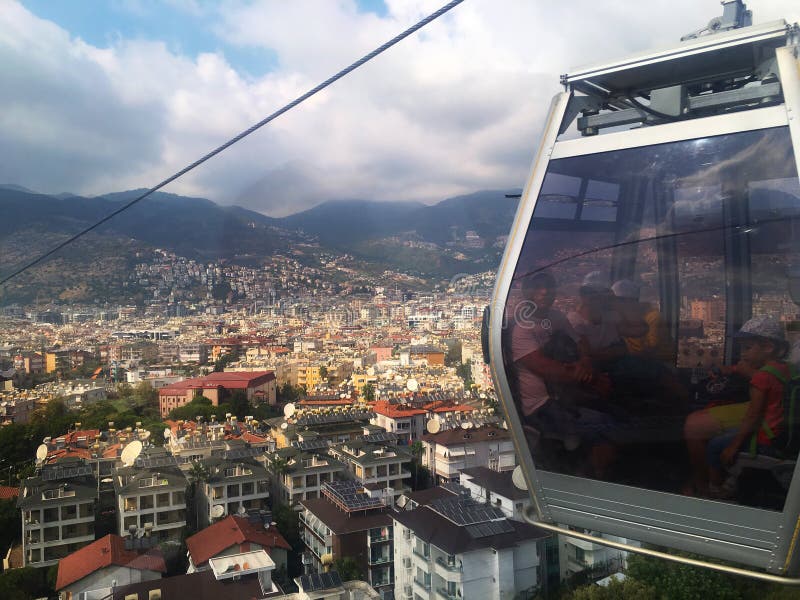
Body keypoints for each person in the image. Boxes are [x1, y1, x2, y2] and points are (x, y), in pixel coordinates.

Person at [509, 271, 615, 475]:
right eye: (538, 287)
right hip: (540, 406)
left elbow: (579, 341)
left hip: (565, 394)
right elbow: (546, 369)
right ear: (526, 292)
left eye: (548, 286)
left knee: (615, 413)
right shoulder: (521, 329)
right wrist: (592, 378)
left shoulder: (555, 317)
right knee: (603, 430)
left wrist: (585, 362)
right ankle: (593, 479)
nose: (544, 291)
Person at [683, 316, 790, 497]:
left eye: (747, 348)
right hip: (776, 425)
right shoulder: (786, 368)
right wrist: (735, 369)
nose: (742, 354)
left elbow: (753, 416)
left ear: (768, 347)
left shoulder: (761, 377)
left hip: (764, 430)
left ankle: (710, 486)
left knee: (708, 438)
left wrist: (734, 445)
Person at [611, 279, 674, 363]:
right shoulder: (620, 317)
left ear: (629, 301)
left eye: (616, 301)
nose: (614, 305)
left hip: (659, 364)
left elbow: (651, 351)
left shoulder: (653, 317)